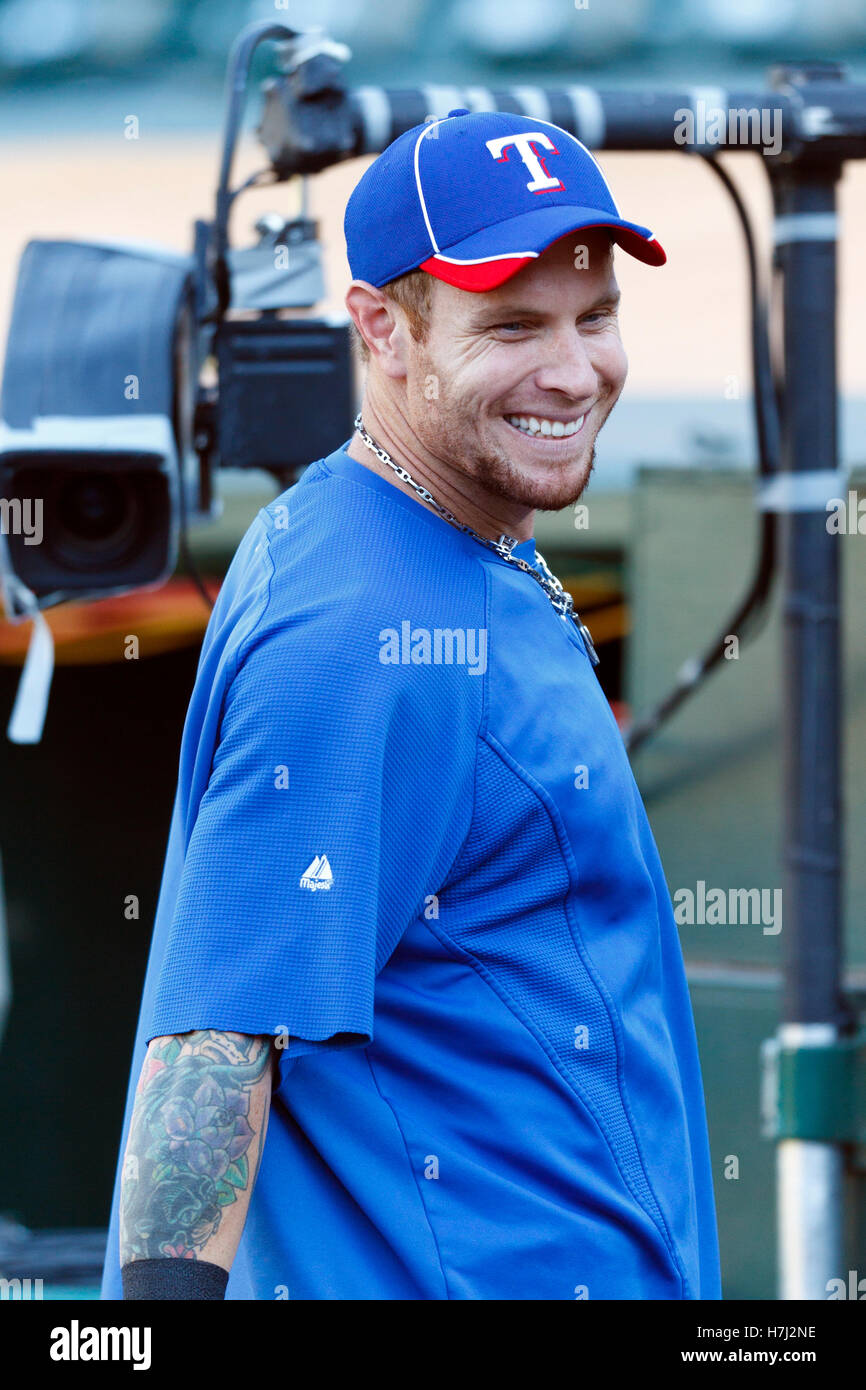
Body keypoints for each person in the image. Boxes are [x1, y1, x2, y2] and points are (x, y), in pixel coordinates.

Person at [102, 108, 721, 1300]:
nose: (572, 370)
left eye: (594, 318)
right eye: (510, 327)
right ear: (382, 328)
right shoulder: (358, 624)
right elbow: (212, 1049)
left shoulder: (436, 533)